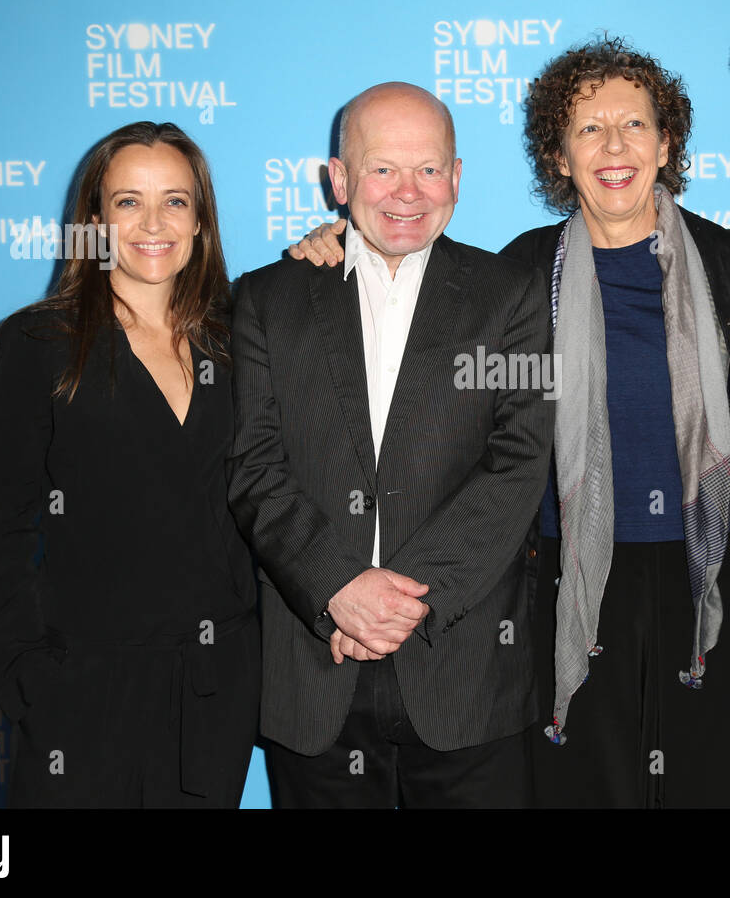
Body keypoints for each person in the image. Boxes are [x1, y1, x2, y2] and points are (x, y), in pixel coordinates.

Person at [290, 42, 730, 808]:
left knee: (707, 787)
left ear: (666, 142)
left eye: (635, 125)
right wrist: (334, 244)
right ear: (558, 153)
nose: (614, 148)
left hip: (709, 572)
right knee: (581, 790)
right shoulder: (515, 274)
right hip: (565, 579)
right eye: (588, 129)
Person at [227, 82, 553, 808]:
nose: (408, 192)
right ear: (338, 180)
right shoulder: (266, 300)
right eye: (382, 169)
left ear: (458, 178)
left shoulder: (513, 296)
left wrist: (399, 604)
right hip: (315, 673)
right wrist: (338, 588)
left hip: (466, 672)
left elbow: (520, 462)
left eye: (429, 169)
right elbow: (254, 467)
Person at [0, 121, 260, 807]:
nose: (153, 222)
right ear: (94, 220)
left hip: (213, 695)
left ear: (201, 221)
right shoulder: (40, 343)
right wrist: (31, 683)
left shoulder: (243, 338)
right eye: (129, 201)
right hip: (81, 697)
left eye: (176, 201)